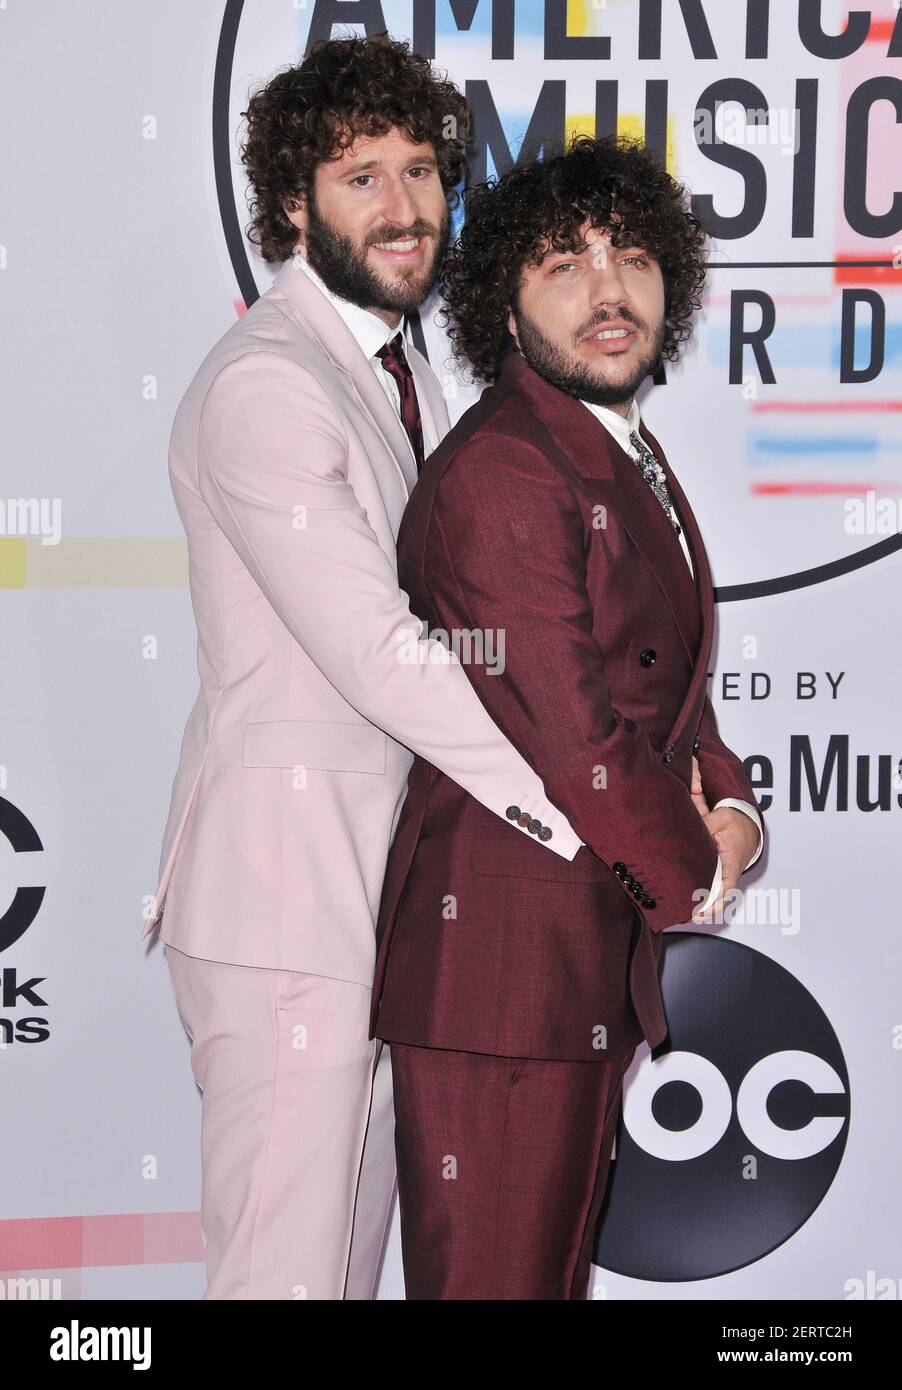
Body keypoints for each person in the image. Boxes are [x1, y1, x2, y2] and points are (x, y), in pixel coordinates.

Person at [142, 32, 582, 1301]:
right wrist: (574, 809)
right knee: (284, 1279)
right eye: (360, 179)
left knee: (337, 1272)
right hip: (286, 900)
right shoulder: (269, 386)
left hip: (374, 902)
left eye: (421, 171)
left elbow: (457, 630)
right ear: (293, 206)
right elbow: (382, 652)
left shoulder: (400, 379)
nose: (404, 208)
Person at [370, 133, 765, 1300]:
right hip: (502, 967)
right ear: (503, 298)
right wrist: (695, 869)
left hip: (570, 962)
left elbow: (662, 691)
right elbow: (579, 741)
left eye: (632, 257)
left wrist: (732, 801)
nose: (607, 289)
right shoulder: (504, 470)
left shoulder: (613, 449)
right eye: (564, 262)